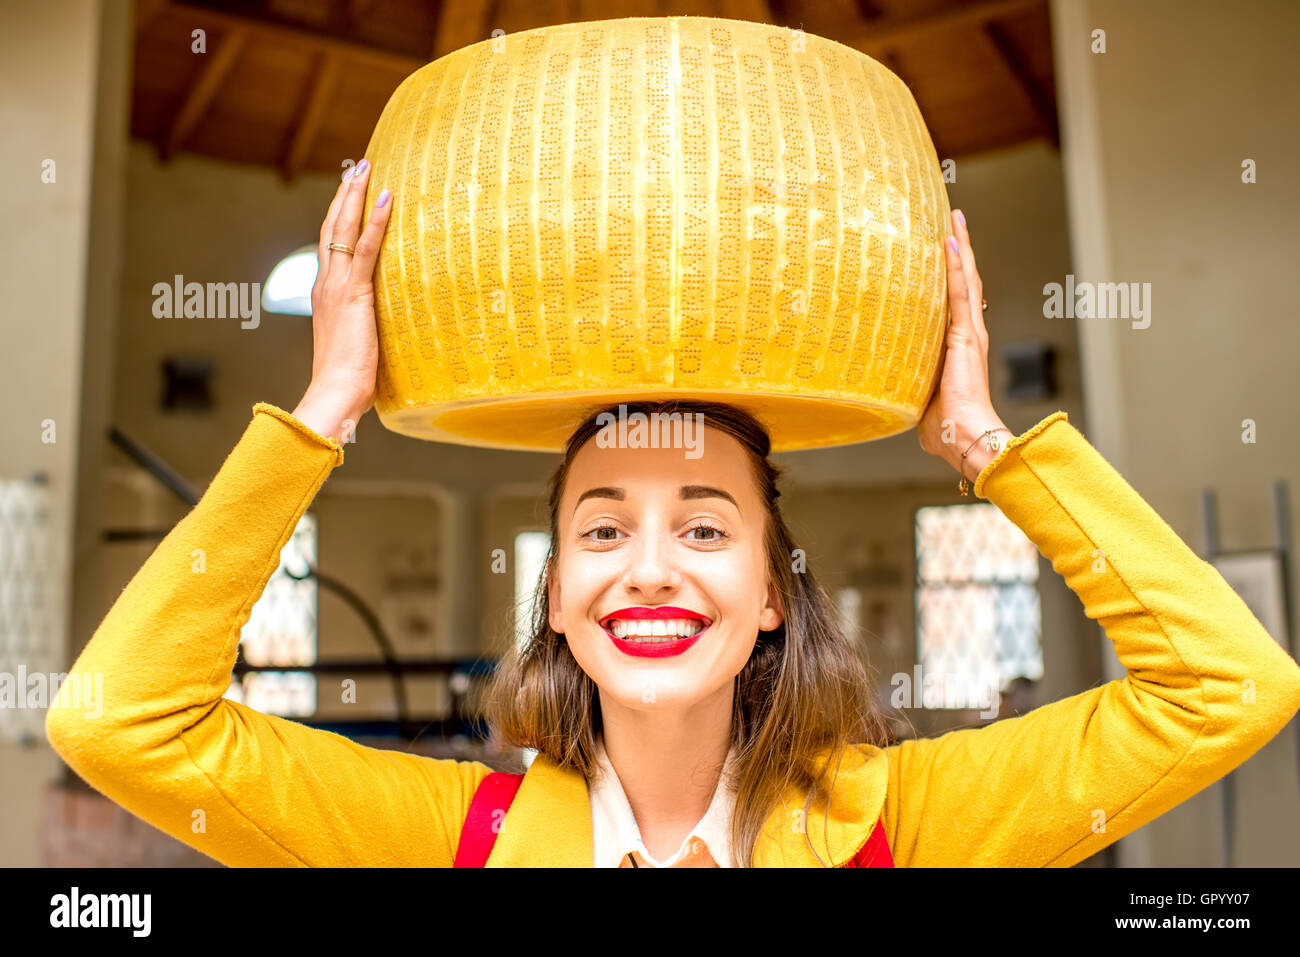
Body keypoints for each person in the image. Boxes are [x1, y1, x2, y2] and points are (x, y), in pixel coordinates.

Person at [46, 159, 1300, 867]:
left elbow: (1227, 688)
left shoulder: (907, 828)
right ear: (554, 593)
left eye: (704, 528)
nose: (648, 569)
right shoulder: (442, 841)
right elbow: (124, 730)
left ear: (770, 593)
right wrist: (321, 413)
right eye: (601, 529)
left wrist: (982, 443)